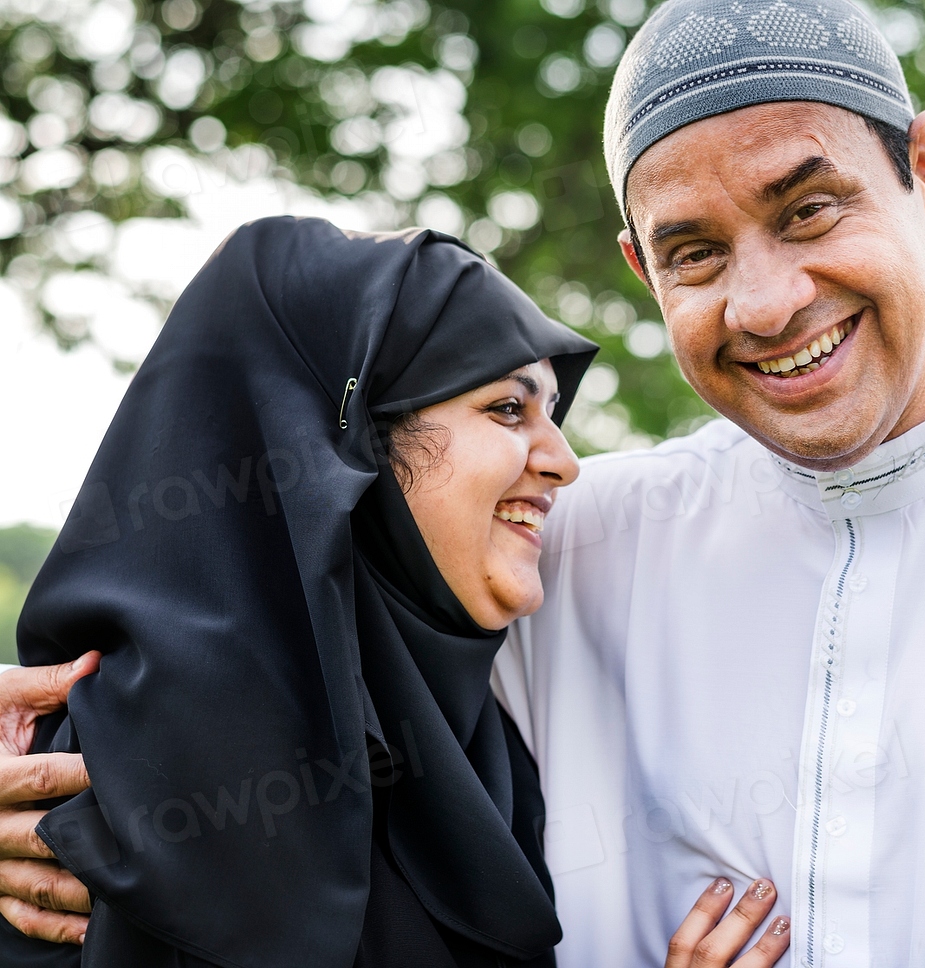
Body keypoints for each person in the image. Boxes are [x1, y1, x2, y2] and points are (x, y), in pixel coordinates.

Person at [7, 0, 925, 964]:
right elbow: (294, 649)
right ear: (642, 270)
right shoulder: (574, 559)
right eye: (694, 252)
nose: (767, 300)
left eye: (810, 209)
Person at [0, 216, 792, 967]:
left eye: (554, 414)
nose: (564, 460)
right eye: (508, 408)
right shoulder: (80, 788)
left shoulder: (491, 755)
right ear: (342, 452)